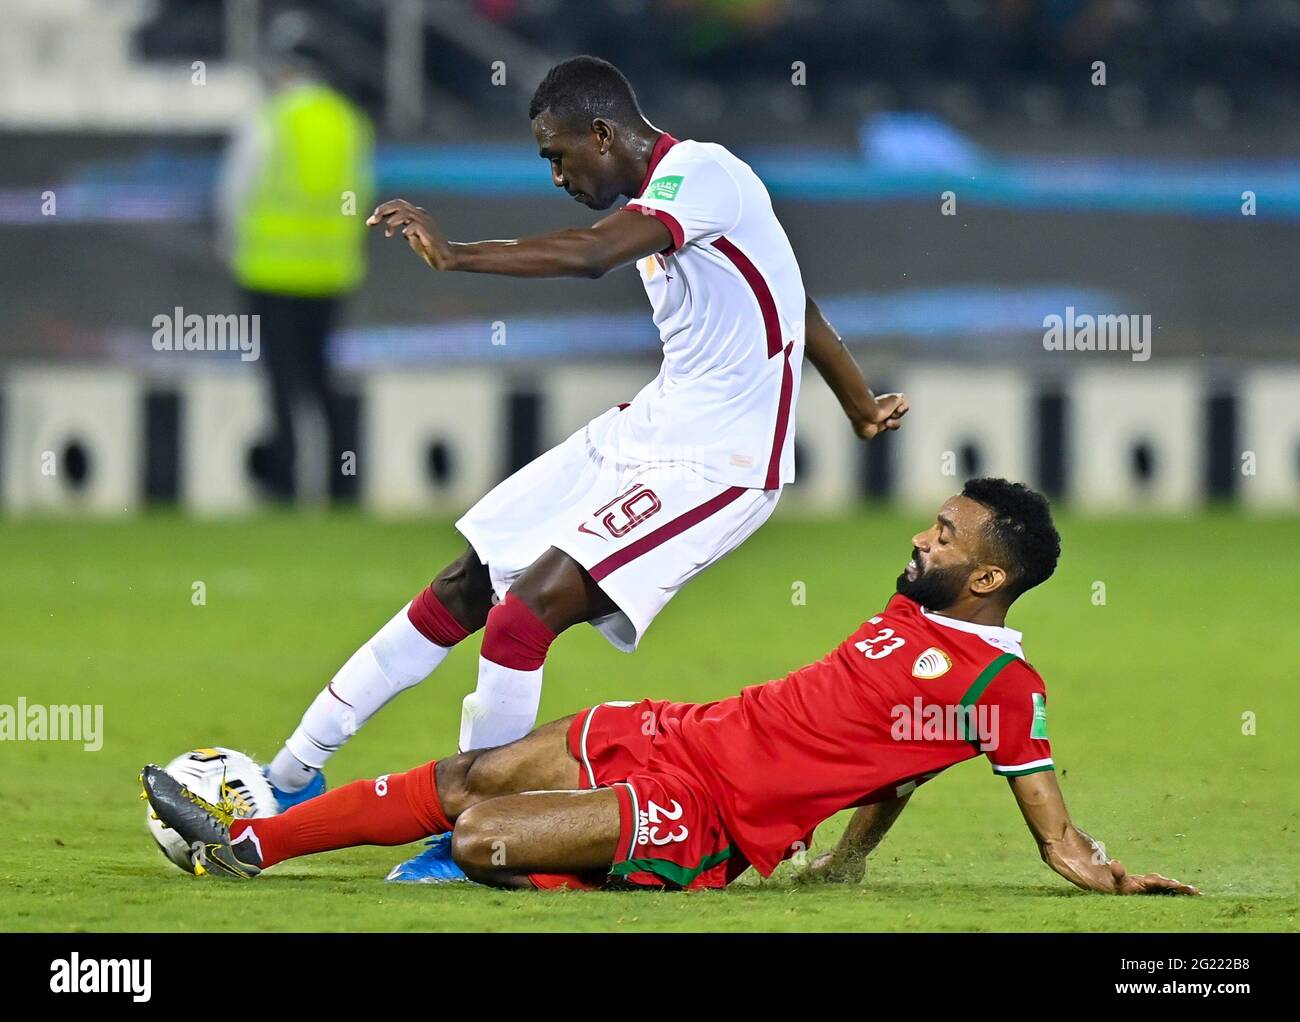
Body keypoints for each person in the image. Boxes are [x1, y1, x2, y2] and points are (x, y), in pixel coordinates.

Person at [259, 55, 909, 883]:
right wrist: (856, 400)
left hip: (720, 464)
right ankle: (285, 778)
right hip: (648, 429)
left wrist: (460, 255)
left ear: (604, 132)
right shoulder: (668, 205)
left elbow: (594, 253)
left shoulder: (703, 175)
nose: (559, 174)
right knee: (466, 584)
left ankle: (482, 833)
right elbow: (795, 299)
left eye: (559, 155)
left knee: (524, 617)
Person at [145, 479, 1198, 897]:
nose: (919, 535)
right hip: (681, 731)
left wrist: (1107, 875)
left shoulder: (1004, 687)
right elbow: (899, 764)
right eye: (932, 519)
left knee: (479, 835)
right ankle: (251, 844)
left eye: (944, 534)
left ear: (987, 577)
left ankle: (589, 869)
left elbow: (1049, 827)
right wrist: (846, 858)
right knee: (469, 773)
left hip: (708, 813)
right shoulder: (907, 616)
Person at [216, 44, 373, 502]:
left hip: (271, 271)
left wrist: (231, 242)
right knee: (323, 377)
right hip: (330, 271)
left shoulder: (269, 119)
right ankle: (342, 484)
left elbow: (236, 188)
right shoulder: (348, 121)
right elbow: (362, 191)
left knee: (282, 382)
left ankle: (284, 484)